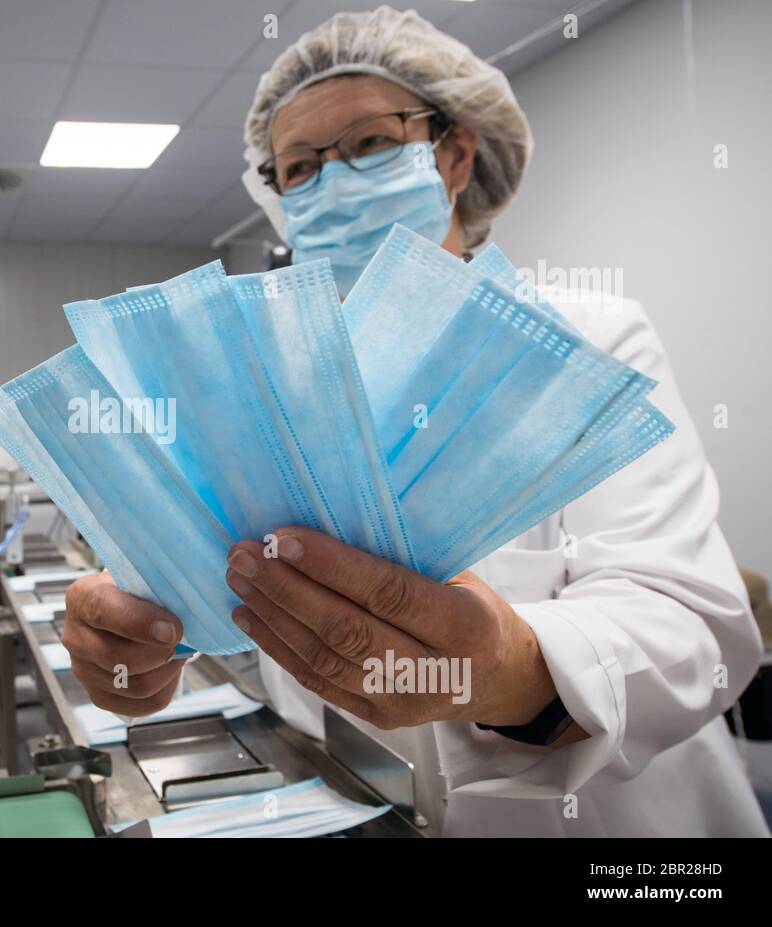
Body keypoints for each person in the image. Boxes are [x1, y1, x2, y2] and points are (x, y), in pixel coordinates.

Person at [60, 6, 767, 837]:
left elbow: (694, 625)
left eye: (366, 145)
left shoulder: (588, 337)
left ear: (454, 153)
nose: (329, 183)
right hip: (358, 806)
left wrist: (507, 669)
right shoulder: (269, 387)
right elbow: (234, 601)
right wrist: (138, 632)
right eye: (298, 168)